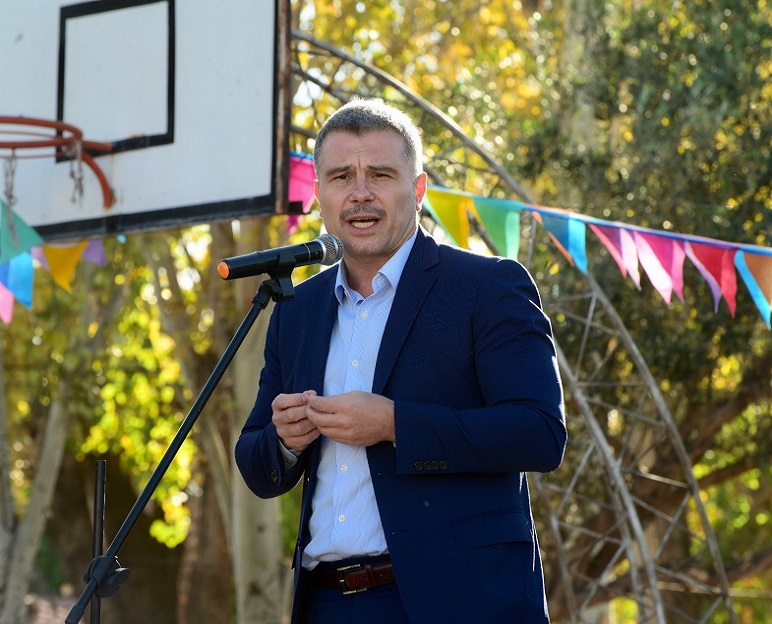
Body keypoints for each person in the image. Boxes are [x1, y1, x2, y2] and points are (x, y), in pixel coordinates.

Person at [235, 99, 566, 623]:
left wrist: (394, 424)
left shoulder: (487, 286)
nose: (360, 192)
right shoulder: (297, 310)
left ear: (418, 189)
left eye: (381, 174)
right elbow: (257, 464)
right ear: (319, 195)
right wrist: (285, 441)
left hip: (457, 602)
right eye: (341, 177)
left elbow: (540, 433)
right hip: (324, 603)